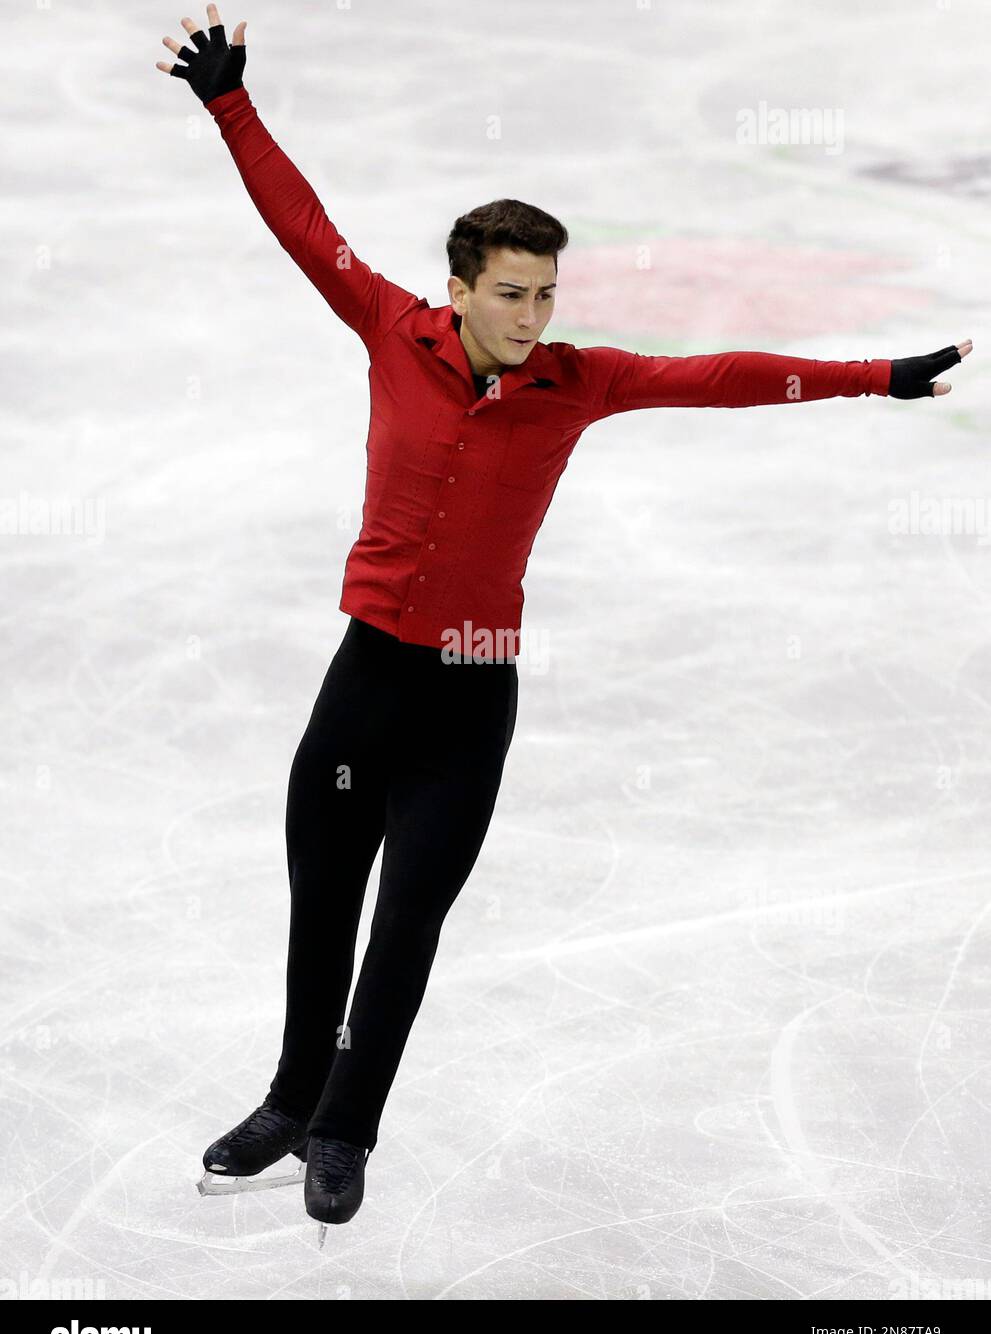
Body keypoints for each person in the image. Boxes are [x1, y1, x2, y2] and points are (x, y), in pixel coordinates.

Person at [158, 7, 972, 1240]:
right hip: (366, 677)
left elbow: (717, 377)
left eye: (546, 293)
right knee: (322, 903)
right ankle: (286, 1097)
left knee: (407, 923)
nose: (533, 316)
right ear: (459, 288)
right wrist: (230, 104)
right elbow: (303, 228)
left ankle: (342, 1128)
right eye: (511, 294)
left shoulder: (578, 380)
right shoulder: (389, 329)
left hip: (469, 697)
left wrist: (874, 377)